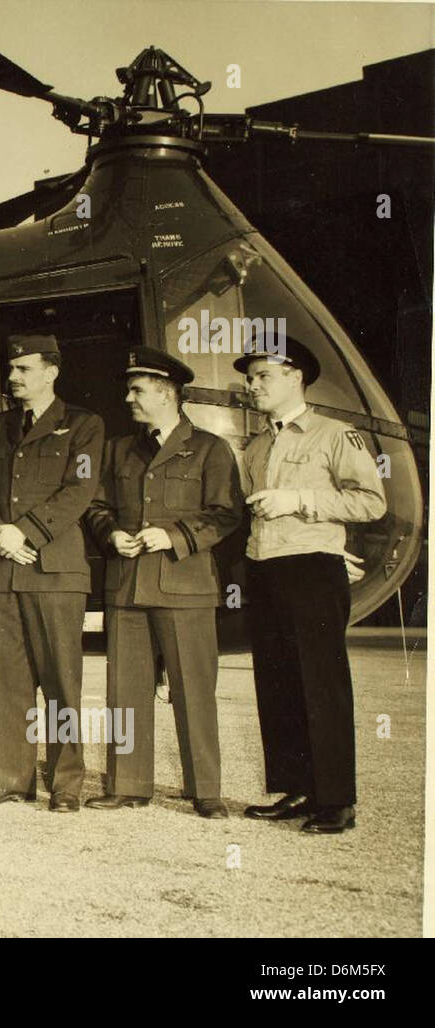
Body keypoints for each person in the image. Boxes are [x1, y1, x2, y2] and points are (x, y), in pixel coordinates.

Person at [235, 336, 385, 834]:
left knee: (322, 683)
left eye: (264, 376)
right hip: (265, 566)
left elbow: (371, 502)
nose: (253, 386)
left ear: (295, 376)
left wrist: (299, 499)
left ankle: (337, 799)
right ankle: (297, 788)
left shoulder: (334, 435)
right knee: (277, 682)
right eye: (250, 378)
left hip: (312, 570)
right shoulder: (255, 445)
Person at [84, 347, 243, 818]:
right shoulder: (116, 450)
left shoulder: (211, 448)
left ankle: (205, 790)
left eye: (137, 389)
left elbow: (227, 514)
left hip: (184, 586)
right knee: (124, 690)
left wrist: (173, 536)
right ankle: (128, 784)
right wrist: (110, 533)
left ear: (167, 392)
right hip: (127, 586)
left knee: (193, 688)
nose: (128, 397)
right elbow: (96, 506)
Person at [0, 334, 103, 812]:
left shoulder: (84, 426)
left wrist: (24, 532)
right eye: (12, 369)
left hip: (54, 570)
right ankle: (10, 778)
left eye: (24, 369)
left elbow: (79, 489)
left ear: (52, 371)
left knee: (62, 681)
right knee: (5, 681)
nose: (13, 377)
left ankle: (67, 783)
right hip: (3, 569)